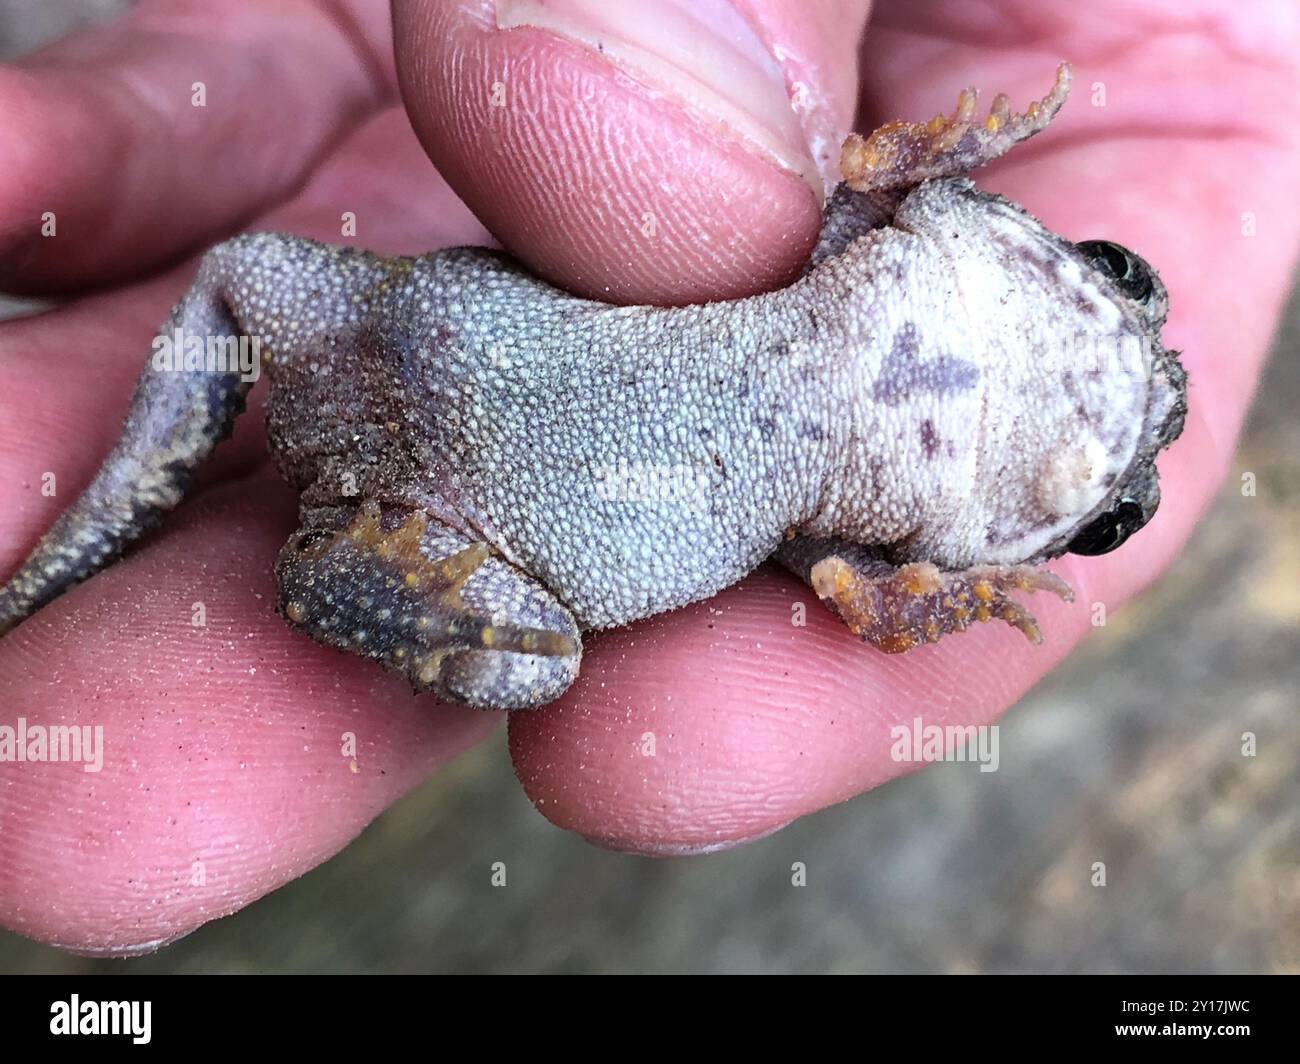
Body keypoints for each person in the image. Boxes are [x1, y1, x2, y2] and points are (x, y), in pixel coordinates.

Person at [0, 0, 1296, 955]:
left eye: (1117, 506)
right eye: (1132, 276)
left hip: (420, 402)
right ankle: (192, 537)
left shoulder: (893, 287)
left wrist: (943, 150)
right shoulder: (877, 440)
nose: (1153, 370)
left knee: (538, 658)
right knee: (532, 655)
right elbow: (859, 580)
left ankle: (225, 538)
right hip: (421, 437)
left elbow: (856, 198)